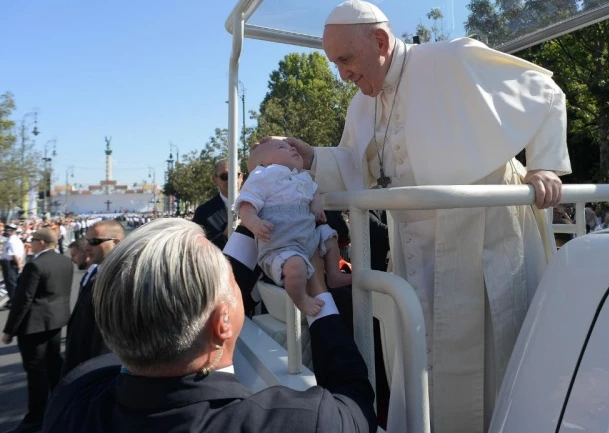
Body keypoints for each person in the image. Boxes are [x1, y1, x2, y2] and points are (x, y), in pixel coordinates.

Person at [280, 0, 570, 433]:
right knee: (424, 367)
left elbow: (546, 93)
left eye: (345, 59)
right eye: (335, 63)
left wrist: (543, 163)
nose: (342, 74)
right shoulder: (361, 103)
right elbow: (356, 165)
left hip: (484, 237)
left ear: (379, 40)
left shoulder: (452, 59)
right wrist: (313, 157)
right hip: (415, 252)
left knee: (495, 364)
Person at [42, 218, 376, 433]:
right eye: (232, 282)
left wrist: (252, 222)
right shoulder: (299, 422)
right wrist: (318, 298)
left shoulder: (75, 397)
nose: (237, 284)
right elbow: (355, 403)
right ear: (222, 324)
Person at [234, 139, 350, 316]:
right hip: (281, 242)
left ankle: (334, 274)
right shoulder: (262, 175)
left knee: (329, 236)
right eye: (282, 147)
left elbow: (315, 191)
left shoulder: (302, 175)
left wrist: (316, 204)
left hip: (308, 233)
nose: (292, 149)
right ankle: (301, 299)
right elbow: (246, 206)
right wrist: (255, 223)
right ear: (263, 162)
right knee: (296, 269)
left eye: (291, 147)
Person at [2, 228, 73, 433]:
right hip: (55, 321)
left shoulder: (35, 265)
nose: (29, 243)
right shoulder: (64, 260)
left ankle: (35, 418)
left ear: (41, 242)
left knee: (36, 373)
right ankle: (60, 407)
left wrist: (10, 330)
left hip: (33, 326)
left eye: (32, 240)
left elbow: (22, 301)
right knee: (53, 368)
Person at [62, 219, 125, 377]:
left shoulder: (120, 279)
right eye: (87, 241)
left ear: (116, 242)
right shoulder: (97, 272)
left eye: (95, 241)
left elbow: (109, 339)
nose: (88, 247)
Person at [193, 158, 242, 250]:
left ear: (241, 177)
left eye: (235, 175)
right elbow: (196, 249)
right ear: (215, 180)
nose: (231, 180)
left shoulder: (257, 204)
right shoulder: (203, 212)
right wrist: (225, 235)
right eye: (225, 176)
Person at [2, 224, 26, 307]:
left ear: (11, 231)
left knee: (11, 283)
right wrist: (20, 262)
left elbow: (14, 254)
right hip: (15, 262)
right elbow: (22, 252)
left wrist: (19, 264)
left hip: (10, 263)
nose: (5, 232)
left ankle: (13, 302)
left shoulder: (11, 241)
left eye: (6, 230)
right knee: (14, 282)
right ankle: (15, 299)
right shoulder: (17, 240)